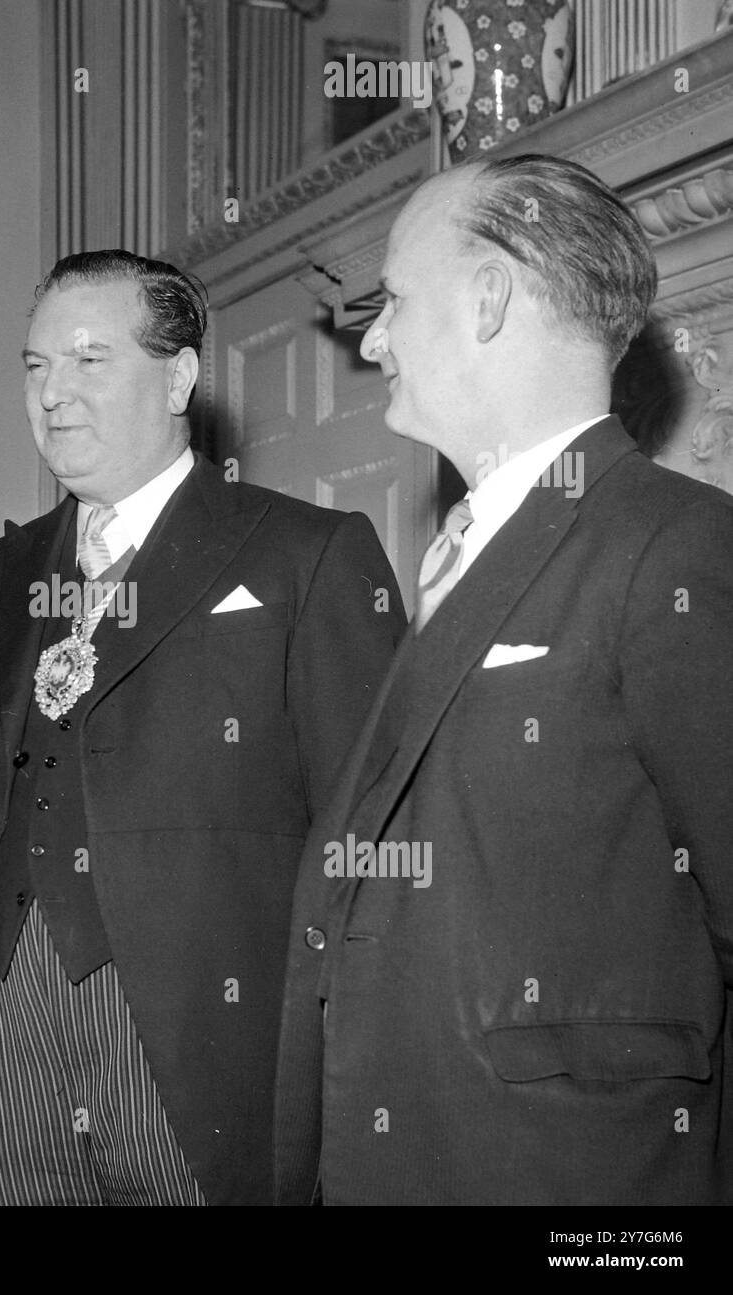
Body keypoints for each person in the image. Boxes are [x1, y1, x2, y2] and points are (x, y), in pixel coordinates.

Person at [274, 154, 733, 1206]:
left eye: (391, 301)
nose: (372, 337)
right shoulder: (466, 543)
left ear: (487, 300)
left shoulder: (677, 545)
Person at [0, 249, 404, 1205]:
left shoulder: (306, 554)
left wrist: (348, 1047)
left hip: (207, 1026)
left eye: (90, 361)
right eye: (35, 366)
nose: (53, 393)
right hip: (9, 1005)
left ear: (179, 376)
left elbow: (368, 833)